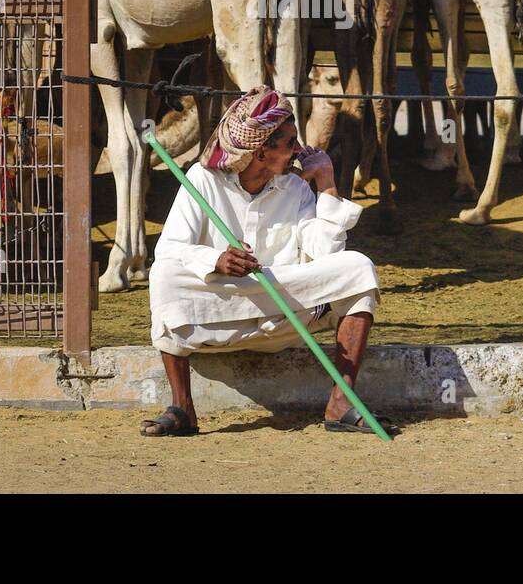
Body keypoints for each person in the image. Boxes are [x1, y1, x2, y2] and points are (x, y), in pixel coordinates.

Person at [140, 85, 394, 437]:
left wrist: (328, 183)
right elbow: (169, 248)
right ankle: (182, 408)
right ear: (260, 152)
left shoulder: (297, 189)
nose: (299, 151)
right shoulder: (202, 179)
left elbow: (327, 256)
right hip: (222, 311)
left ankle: (341, 402)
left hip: (285, 309)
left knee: (357, 267)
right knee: (165, 274)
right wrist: (217, 259)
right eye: (290, 142)